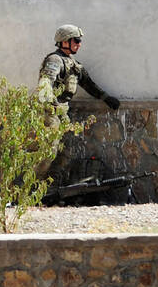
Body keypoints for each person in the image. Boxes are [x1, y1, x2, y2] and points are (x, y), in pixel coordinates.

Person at [36, 24, 120, 179]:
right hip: (51, 113)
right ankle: (32, 187)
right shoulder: (55, 60)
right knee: (50, 151)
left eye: (79, 41)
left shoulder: (73, 65)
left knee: (66, 152)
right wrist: (52, 106)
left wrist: (107, 99)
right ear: (64, 41)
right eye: (76, 40)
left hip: (63, 113)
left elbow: (89, 84)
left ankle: (49, 187)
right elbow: (45, 83)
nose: (79, 44)